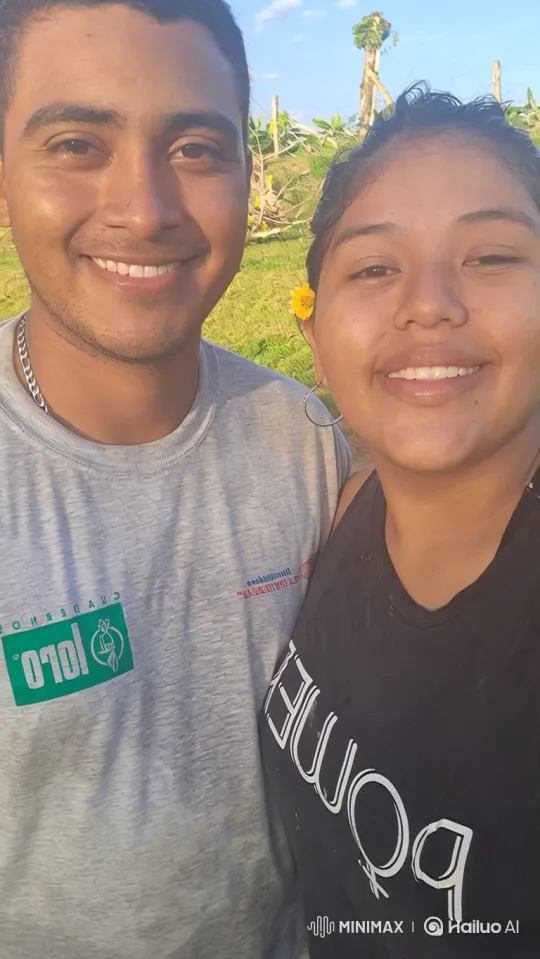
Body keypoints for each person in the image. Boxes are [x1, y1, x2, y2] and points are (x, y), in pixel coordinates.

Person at [0, 0, 350, 956]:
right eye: (77, 142)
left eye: (196, 148)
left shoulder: (306, 442)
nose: (145, 209)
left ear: (248, 171)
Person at [261, 84, 540, 957]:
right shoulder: (344, 508)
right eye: (374, 268)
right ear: (315, 335)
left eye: (492, 256)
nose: (429, 303)